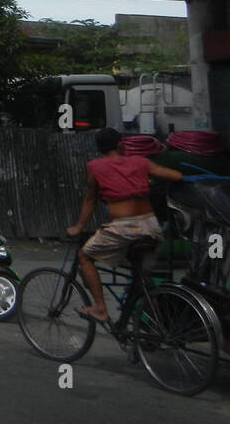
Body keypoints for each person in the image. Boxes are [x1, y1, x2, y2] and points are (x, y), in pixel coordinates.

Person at [69, 126, 185, 323]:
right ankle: (157, 323)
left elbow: (90, 200)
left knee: (85, 256)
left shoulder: (96, 167)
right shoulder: (140, 162)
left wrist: (79, 227)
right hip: (151, 228)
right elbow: (177, 176)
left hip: (123, 229)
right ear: (120, 144)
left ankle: (100, 308)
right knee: (143, 278)